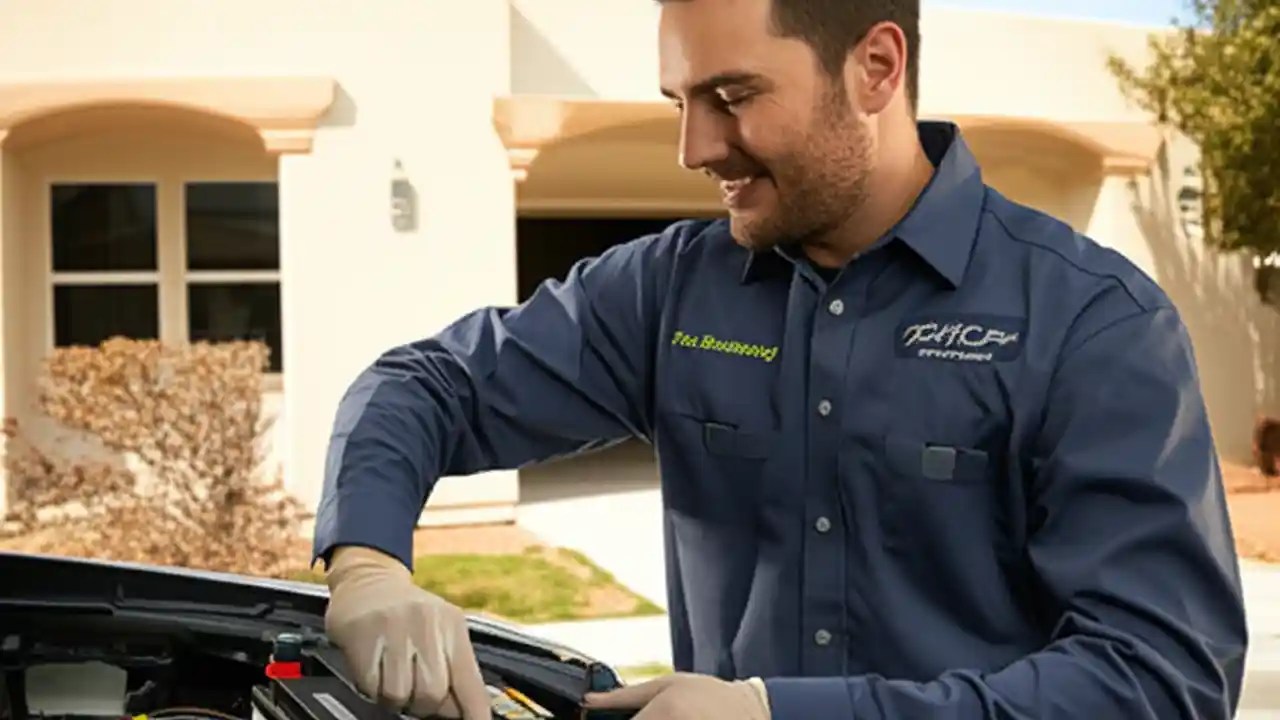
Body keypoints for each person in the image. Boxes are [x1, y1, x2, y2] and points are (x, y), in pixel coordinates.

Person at [311, 0, 1250, 717]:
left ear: (876, 67)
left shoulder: (1091, 321)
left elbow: (1158, 677)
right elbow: (422, 385)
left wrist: (777, 711)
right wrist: (367, 568)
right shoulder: (670, 292)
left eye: (732, 97)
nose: (693, 148)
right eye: (681, 101)